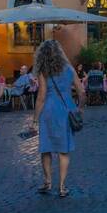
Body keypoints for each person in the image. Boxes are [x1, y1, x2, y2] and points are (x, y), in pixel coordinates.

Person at [29, 38, 84, 197]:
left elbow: (41, 96)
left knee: (46, 148)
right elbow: (81, 91)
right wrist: (80, 108)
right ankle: (62, 186)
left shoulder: (43, 71)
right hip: (66, 110)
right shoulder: (70, 69)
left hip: (48, 110)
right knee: (64, 150)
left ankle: (47, 182)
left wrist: (34, 119)